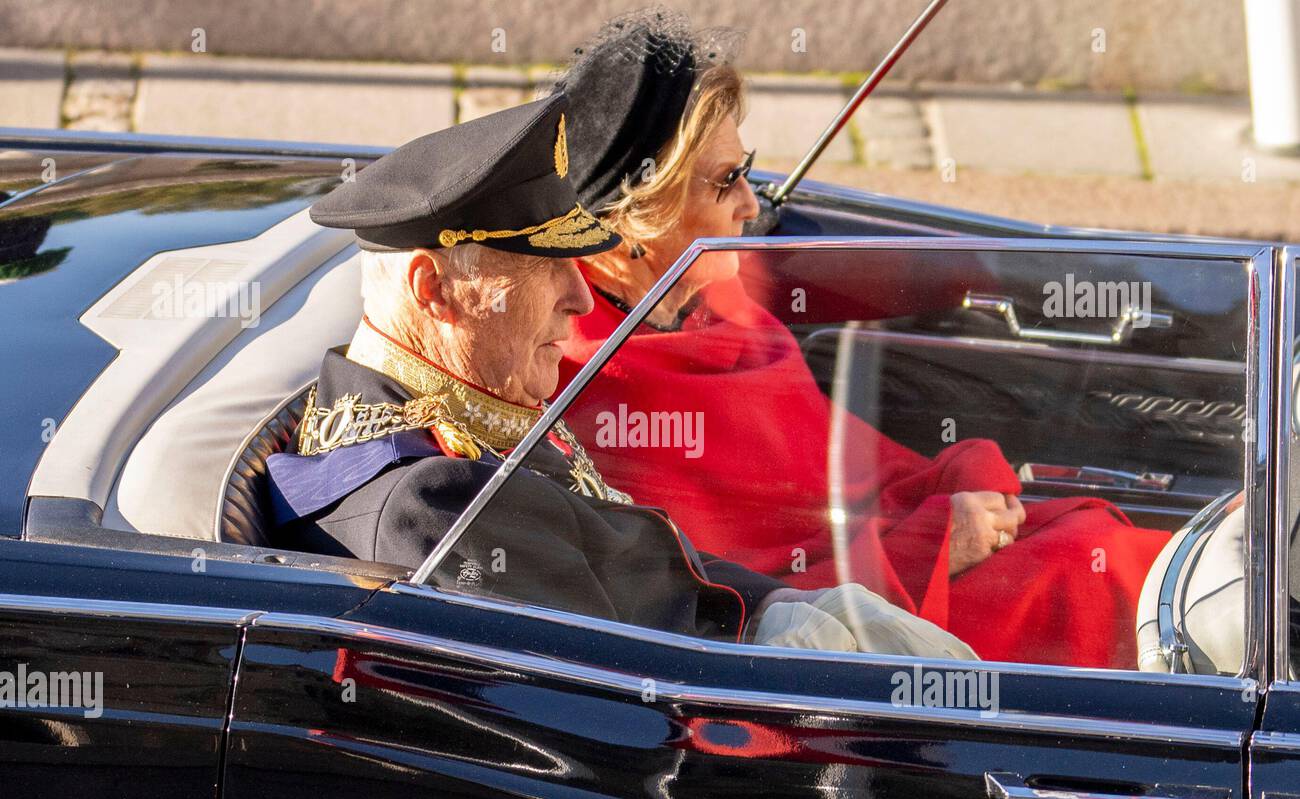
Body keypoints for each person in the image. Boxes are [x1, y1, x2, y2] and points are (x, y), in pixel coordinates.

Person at [552, 11, 1170, 669]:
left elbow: (849, 478)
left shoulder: (714, 305)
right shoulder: (587, 378)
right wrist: (933, 542)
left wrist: (951, 493)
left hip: (901, 585)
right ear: (634, 221)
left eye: (748, 172)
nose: (752, 208)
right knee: (1090, 578)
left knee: (1100, 543)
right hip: (853, 650)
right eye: (725, 182)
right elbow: (720, 606)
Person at [263, 92, 975, 661]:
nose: (580, 301)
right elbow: (612, 705)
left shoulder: (465, 404)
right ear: (434, 289)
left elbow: (654, 568)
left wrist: (799, 604)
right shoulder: (435, 508)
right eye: (546, 270)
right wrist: (792, 647)